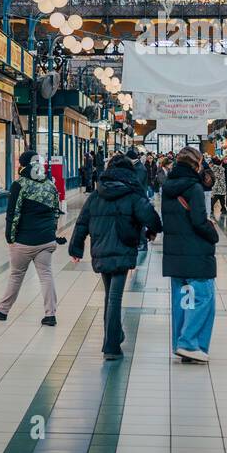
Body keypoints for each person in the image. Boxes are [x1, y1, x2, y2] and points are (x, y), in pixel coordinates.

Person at [68, 154, 163, 359]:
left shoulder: (96, 194)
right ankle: (111, 345)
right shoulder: (132, 194)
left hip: (101, 249)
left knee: (109, 296)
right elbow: (152, 218)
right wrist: (150, 232)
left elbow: (82, 222)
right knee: (114, 298)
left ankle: (115, 335)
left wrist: (75, 248)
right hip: (123, 248)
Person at [159, 147, 220, 363]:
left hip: (175, 254)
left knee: (183, 301)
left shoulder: (167, 188)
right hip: (195, 253)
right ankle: (189, 343)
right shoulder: (193, 188)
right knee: (203, 298)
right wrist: (213, 233)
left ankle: (182, 343)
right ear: (196, 163)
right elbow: (198, 220)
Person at [0, 150, 65, 326]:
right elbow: (56, 211)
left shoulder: (20, 185)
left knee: (16, 275)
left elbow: (13, 214)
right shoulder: (50, 184)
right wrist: (52, 232)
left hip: (24, 240)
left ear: (23, 165)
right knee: (46, 275)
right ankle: (50, 314)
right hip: (46, 239)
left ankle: (2, 310)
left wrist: (10, 238)